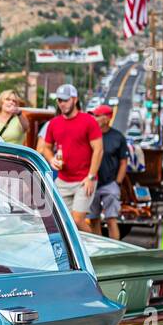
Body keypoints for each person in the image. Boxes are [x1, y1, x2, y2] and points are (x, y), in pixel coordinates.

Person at [37, 83, 102, 232]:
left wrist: (91, 177)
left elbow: (98, 150)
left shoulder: (88, 121)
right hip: (62, 180)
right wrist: (52, 159)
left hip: (84, 180)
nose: (62, 104)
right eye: (59, 100)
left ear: (75, 99)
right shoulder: (54, 123)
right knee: (63, 223)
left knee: (78, 220)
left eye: (65, 100)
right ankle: (75, 253)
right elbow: (46, 148)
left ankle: (93, 251)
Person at [90, 103, 128, 240]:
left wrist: (117, 182)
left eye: (97, 115)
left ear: (107, 118)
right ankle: (97, 251)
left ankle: (114, 252)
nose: (94, 118)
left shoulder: (118, 137)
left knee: (111, 219)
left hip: (110, 183)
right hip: (91, 182)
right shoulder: (90, 135)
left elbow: (124, 162)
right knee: (93, 219)